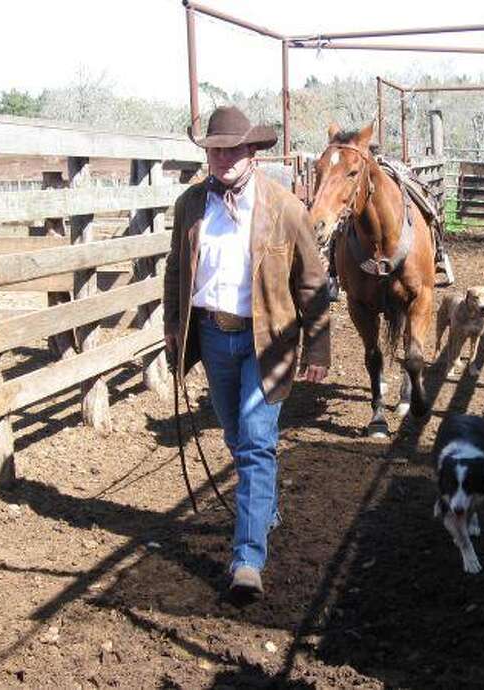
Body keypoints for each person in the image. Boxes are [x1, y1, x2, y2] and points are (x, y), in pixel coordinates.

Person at [163, 106, 331, 602]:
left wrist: (317, 345)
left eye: (231, 149)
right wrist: (174, 325)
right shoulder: (191, 205)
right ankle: (265, 506)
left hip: (269, 341)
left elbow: (313, 282)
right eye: (214, 150)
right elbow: (176, 269)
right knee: (236, 436)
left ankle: (248, 559)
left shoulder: (284, 207)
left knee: (257, 443)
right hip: (213, 337)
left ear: (252, 152)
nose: (222, 158)